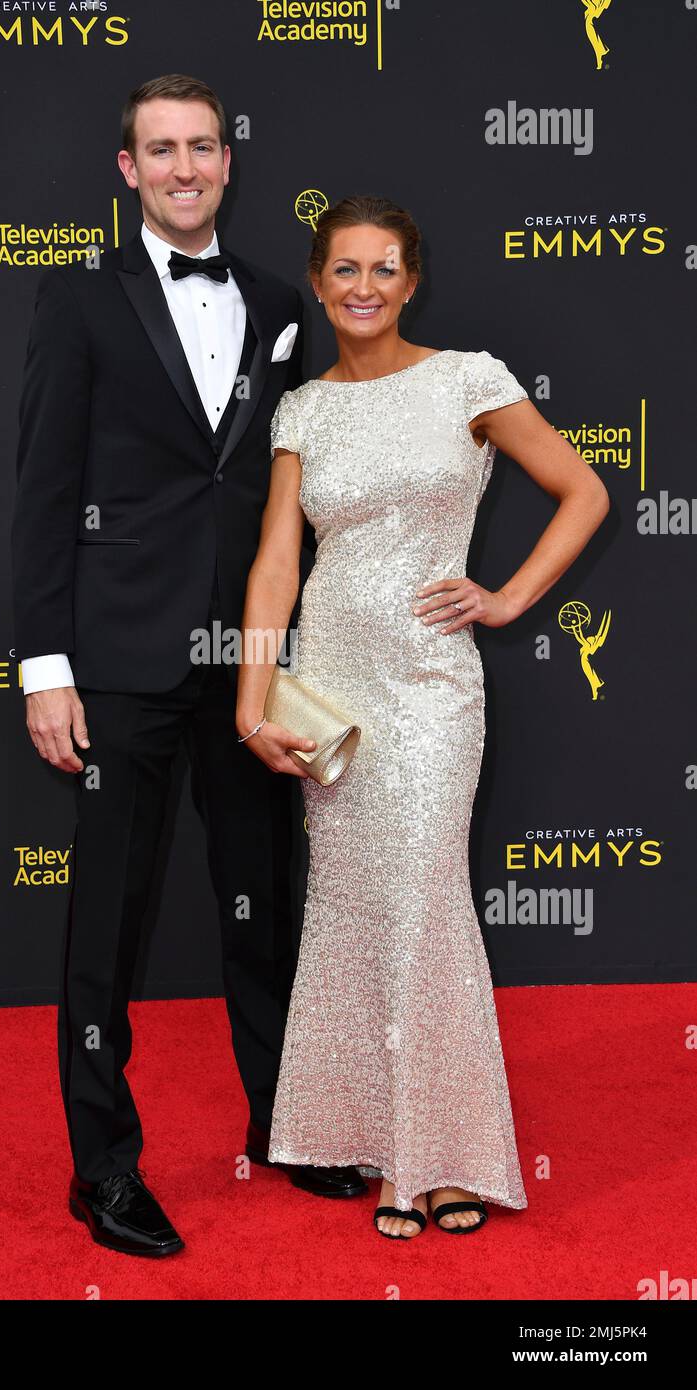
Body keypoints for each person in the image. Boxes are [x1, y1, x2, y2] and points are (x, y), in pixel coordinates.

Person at [10, 76, 367, 1259]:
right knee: (105, 927)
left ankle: (284, 1121)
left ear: (227, 159)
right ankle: (102, 1167)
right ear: (127, 171)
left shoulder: (275, 299)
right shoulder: (76, 301)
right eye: (157, 151)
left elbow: (281, 494)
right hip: (116, 661)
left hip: (247, 663)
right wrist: (44, 663)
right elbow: (43, 490)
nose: (180, 167)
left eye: (199, 147)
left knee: (261, 908)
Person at [236, 195, 610, 1240]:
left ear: (410, 282)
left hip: (432, 685)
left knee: (426, 899)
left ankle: (438, 1160)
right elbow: (275, 562)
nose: (362, 287)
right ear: (317, 282)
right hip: (334, 688)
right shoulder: (300, 408)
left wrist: (506, 595)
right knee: (355, 913)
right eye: (343, 269)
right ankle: (366, 1134)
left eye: (383, 269)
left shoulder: (466, 380)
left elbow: (580, 490)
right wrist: (253, 689)